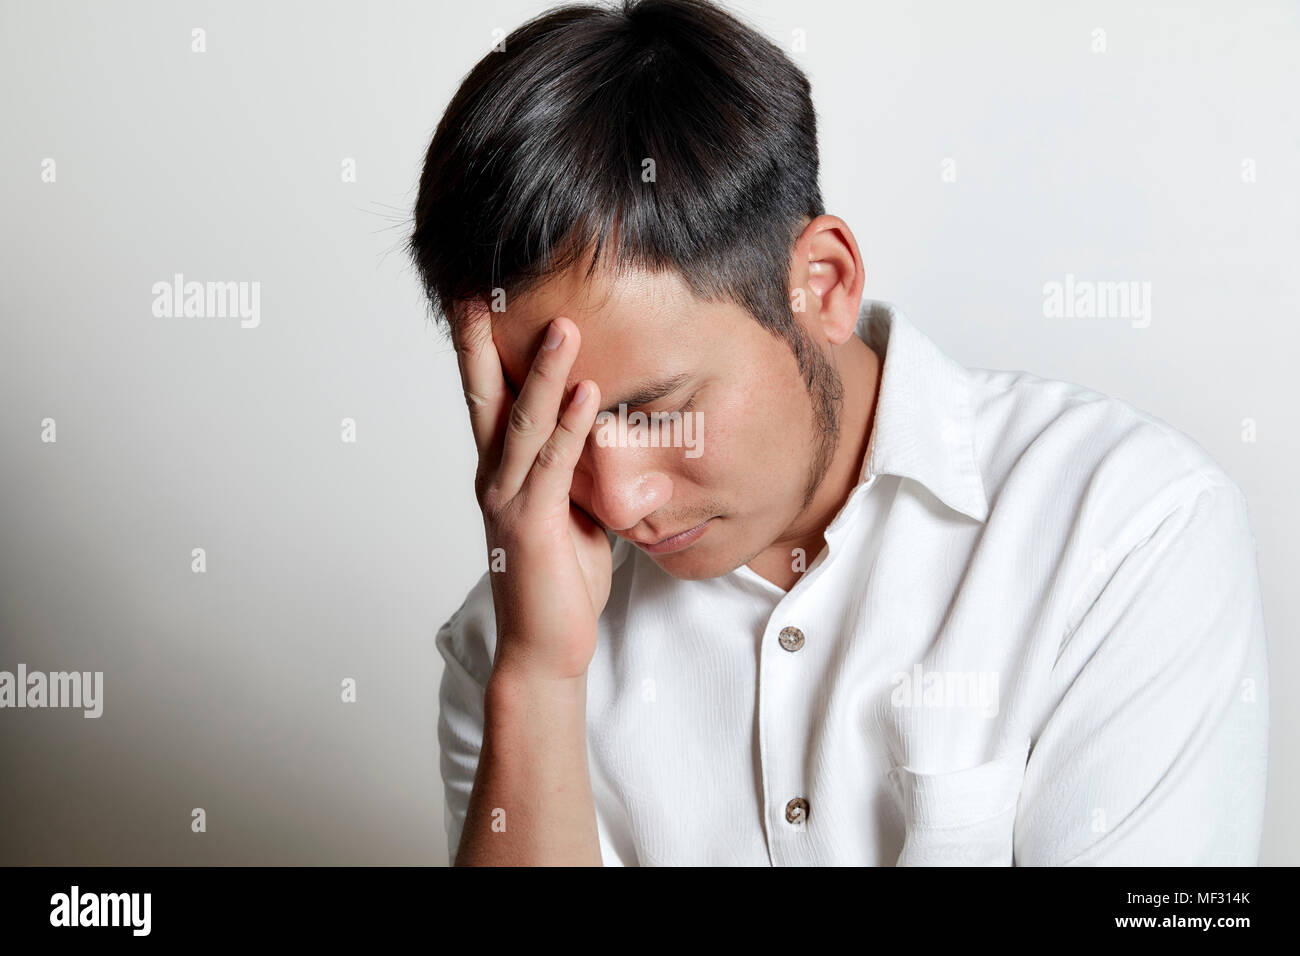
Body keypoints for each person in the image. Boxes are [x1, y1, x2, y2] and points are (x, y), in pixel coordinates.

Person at [408, 0, 1269, 866]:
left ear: (821, 285)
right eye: (554, 427)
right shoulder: (512, 645)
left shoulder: (1128, 531)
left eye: (656, 408)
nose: (620, 497)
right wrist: (542, 680)